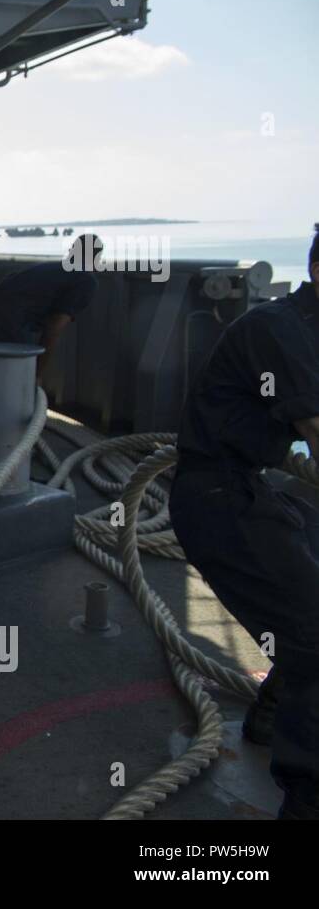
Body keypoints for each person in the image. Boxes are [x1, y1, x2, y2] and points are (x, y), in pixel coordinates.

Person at [168, 224, 319, 820]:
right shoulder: (280, 329)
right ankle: (306, 797)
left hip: (248, 486)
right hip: (214, 498)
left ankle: (272, 714)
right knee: (315, 626)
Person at [0, 234, 101, 382]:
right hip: (7, 324)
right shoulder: (85, 280)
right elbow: (54, 328)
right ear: (96, 257)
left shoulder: (52, 269)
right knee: (16, 382)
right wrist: (37, 374)